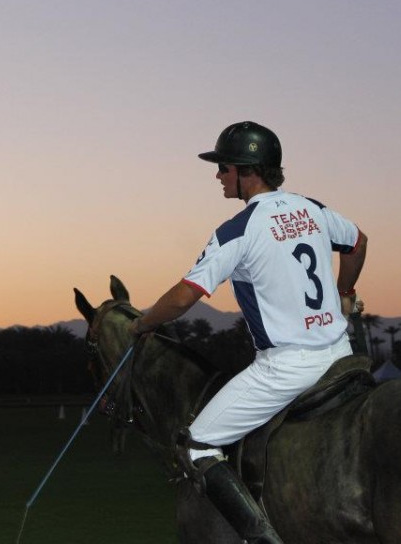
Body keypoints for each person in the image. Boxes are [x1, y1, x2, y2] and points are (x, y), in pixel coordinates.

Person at [129, 121, 367, 543]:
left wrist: (143, 322)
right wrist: (345, 294)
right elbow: (358, 242)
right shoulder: (312, 209)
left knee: (196, 445)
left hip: (287, 368)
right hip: (341, 355)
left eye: (223, 167)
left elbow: (183, 298)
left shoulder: (237, 230)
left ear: (246, 171)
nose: (218, 176)